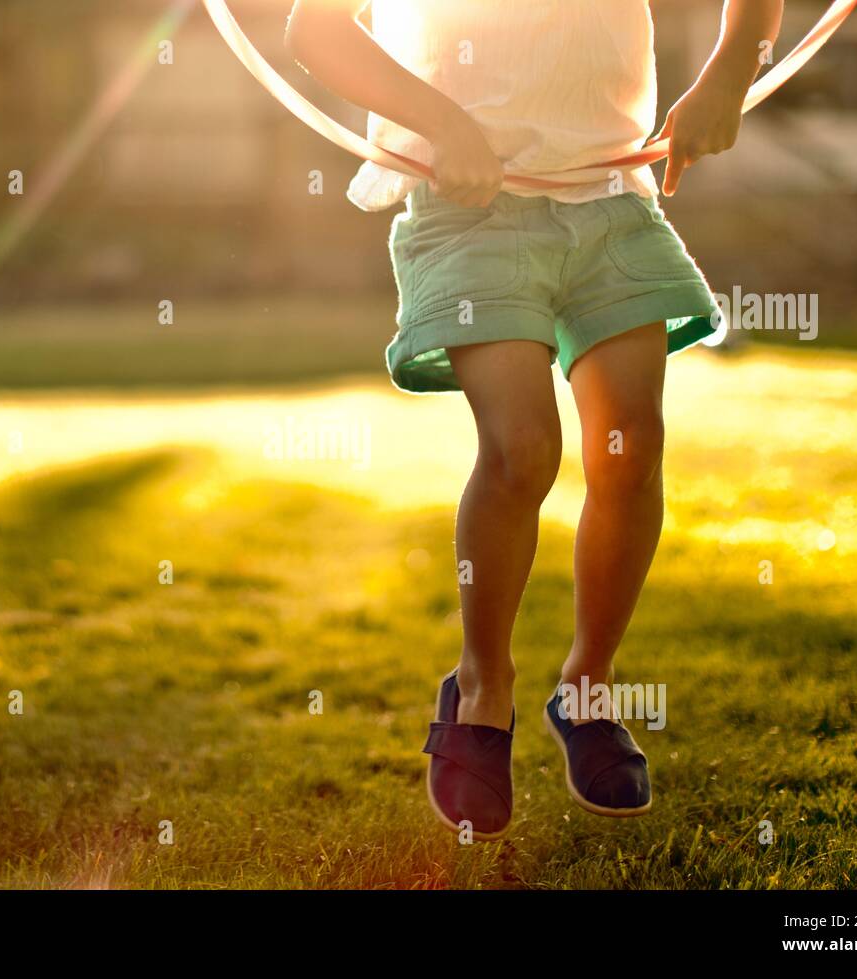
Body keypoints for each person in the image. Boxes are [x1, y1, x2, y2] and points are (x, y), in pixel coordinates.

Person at [285, 0, 782, 837]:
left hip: (610, 203)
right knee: (523, 450)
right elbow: (316, 31)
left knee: (631, 449)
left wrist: (731, 70)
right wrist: (444, 123)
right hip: (468, 210)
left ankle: (587, 688)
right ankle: (481, 688)